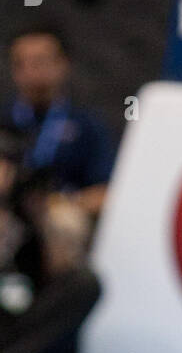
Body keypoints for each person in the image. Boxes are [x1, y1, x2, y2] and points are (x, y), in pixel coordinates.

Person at [0, 128, 101, 353]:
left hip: (20, 323)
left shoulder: (29, 208)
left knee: (84, 283)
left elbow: (59, 269)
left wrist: (39, 217)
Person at [1, 24, 116, 226]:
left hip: (59, 213)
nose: (31, 71)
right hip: (7, 211)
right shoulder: (5, 118)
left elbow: (105, 193)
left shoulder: (86, 125)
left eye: (39, 62)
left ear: (62, 63)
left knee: (65, 223)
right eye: (21, 63)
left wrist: (61, 203)